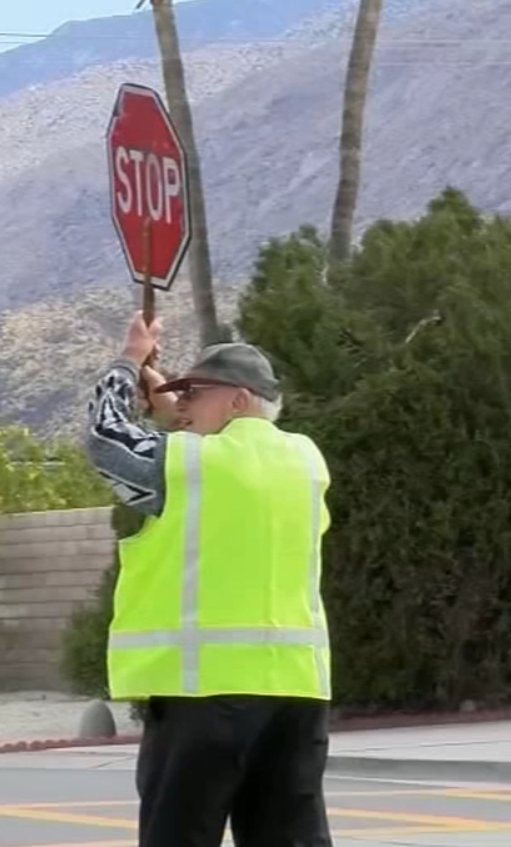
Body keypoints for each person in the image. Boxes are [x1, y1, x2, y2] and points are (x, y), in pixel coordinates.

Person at [82, 309, 334, 847]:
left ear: (238, 400)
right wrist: (180, 415)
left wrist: (129, 360)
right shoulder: (305, 461)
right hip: (295, 695)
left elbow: (105, 437)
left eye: (195, 393)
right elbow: (229, 465)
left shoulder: (189, 465)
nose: (184, 403)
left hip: (205, 698)